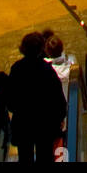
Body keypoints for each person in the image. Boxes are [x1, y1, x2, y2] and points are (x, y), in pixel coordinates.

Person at [8, 32, 66, 163]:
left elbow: (10, 100)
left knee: (24, 157)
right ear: (41, 49)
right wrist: (60, 118)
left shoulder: (16, 69)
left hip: (23, 124)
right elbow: (58, 99)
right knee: (45, 156)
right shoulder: (48, 71)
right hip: (45, 125)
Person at [43, 34, 75, 99]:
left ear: (47, 51)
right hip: (70, 100)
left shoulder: (43, 67)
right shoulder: (72, 61)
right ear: (62, 48)